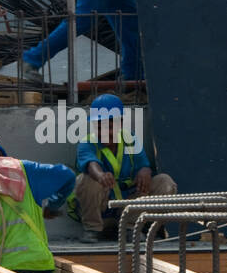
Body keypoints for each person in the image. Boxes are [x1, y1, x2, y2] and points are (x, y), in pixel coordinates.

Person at [0, 134, 75, 273]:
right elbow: (68, 176)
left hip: (1, 267)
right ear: (0, 153)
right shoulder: (26, 170)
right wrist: (52, 206)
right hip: (38, 263)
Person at [73, 93, 176, 242]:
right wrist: (100, 175)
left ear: (120, 123)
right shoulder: (87, 142)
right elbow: (91, 164)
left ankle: (133, 228)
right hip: (103, 210)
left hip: (129, 206)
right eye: (98, 127)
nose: (103, 133)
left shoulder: (130, 140)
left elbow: (144, 165)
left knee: (164, 182)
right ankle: (93, 230)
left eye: (108, 127)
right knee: (85, 179)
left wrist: (144, 171)